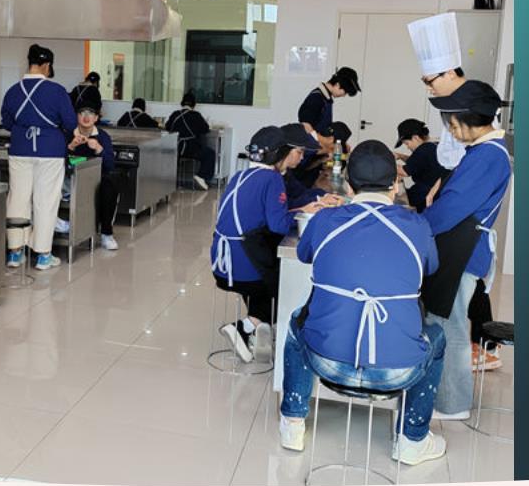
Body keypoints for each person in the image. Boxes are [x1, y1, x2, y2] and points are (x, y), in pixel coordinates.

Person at [279, 140, 446, 466]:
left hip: (326, 362)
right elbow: (431, 267)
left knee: (298, 322)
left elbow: (304, 253)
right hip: (397, 373)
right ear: (395, 184)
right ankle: (412, 439)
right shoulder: (417, 225)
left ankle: (292, 424)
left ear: (348, 185)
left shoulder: (325, 220)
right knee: (437, 336)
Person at [421, 80, 512, 420]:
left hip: (464, 250)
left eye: (453, 123)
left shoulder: (489, 155)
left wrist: (417, 227)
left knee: (451, 326)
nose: (450, 130)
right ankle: (443, 395)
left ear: (470, 120)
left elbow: (453, 206)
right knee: (444, 321)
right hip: (458, 246)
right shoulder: (483, 151)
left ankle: (453, 404)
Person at [212, 125, 325, 363]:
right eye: (298, 152)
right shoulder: (272, 179)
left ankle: (256, 329)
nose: (301, 157)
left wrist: (298, 207)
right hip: (243, 264)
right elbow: (279, 225)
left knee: (268, 275)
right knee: (284, 285)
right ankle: (246, 327)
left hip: (222, 262)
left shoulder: (241, 175)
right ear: (281, 153)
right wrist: (304, 211)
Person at [1, 44, 78, 271]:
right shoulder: (57, 91)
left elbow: (7, 122)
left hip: (20, 149)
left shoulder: (13, 91)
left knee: (17, 199)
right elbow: (70, 123)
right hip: (50, 151)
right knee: (46, 201)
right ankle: (43, 255)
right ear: (47, 65)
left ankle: (15, 252)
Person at [407, 13, 468, 170]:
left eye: (429, 81)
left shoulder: (473, 104)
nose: (428, 88)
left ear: (450, 74)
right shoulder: (452, 103)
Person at [67, 98, 120, 250]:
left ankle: (106, 233)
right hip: (70, 180)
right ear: (76, 116)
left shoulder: (103, 136)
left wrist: (98, 149)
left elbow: (110, 165)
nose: (86, 116)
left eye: (90, 113)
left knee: (110, 184)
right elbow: (57, 161)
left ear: (96, 118)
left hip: (96, 182)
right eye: (82, 113)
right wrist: (71, 147)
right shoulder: (67, 134)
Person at [394, 118, 450, 212]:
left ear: (415, 138)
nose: (407, 147)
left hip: (425, 196)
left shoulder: (423, 149)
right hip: (436, 194)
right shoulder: (433, 146)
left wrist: (384, 161)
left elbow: (404, 172)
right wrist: (400, 156)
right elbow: (417, 162)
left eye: (407, 143)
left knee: (396, 200)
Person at [166, 91, 215, 191]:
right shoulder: (196, 115)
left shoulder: (175, 114)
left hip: (176, 148)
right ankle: (201, 177)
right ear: (194, 105)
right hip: (191, 149)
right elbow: (205, 129)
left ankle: (168, 179)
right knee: (210, 154)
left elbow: (167, 127)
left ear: (182, 103)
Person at [297, 67, 360, 134]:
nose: (344, 95)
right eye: (345, 92)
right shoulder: (316, 98)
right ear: (337, 84)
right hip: (312, 140)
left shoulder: (326, 98)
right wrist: (325, 140)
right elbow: (306, 128)